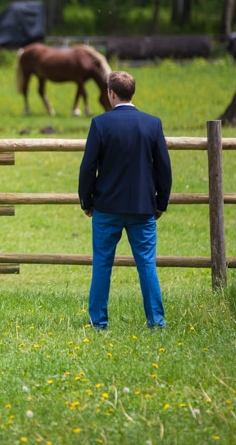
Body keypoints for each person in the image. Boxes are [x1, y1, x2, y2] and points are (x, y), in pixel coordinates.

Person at [78, 70, 172, 329]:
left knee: (102, 265)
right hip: (143, 207)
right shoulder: (152, 123)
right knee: (146, 264)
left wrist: (86, 201)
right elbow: (164, 168)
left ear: (111, 93)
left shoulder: (100, 124)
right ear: (132, 93)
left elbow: (88, 167)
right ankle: (156, 321)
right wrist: (160, 203)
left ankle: (98, 322)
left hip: (106, 206)